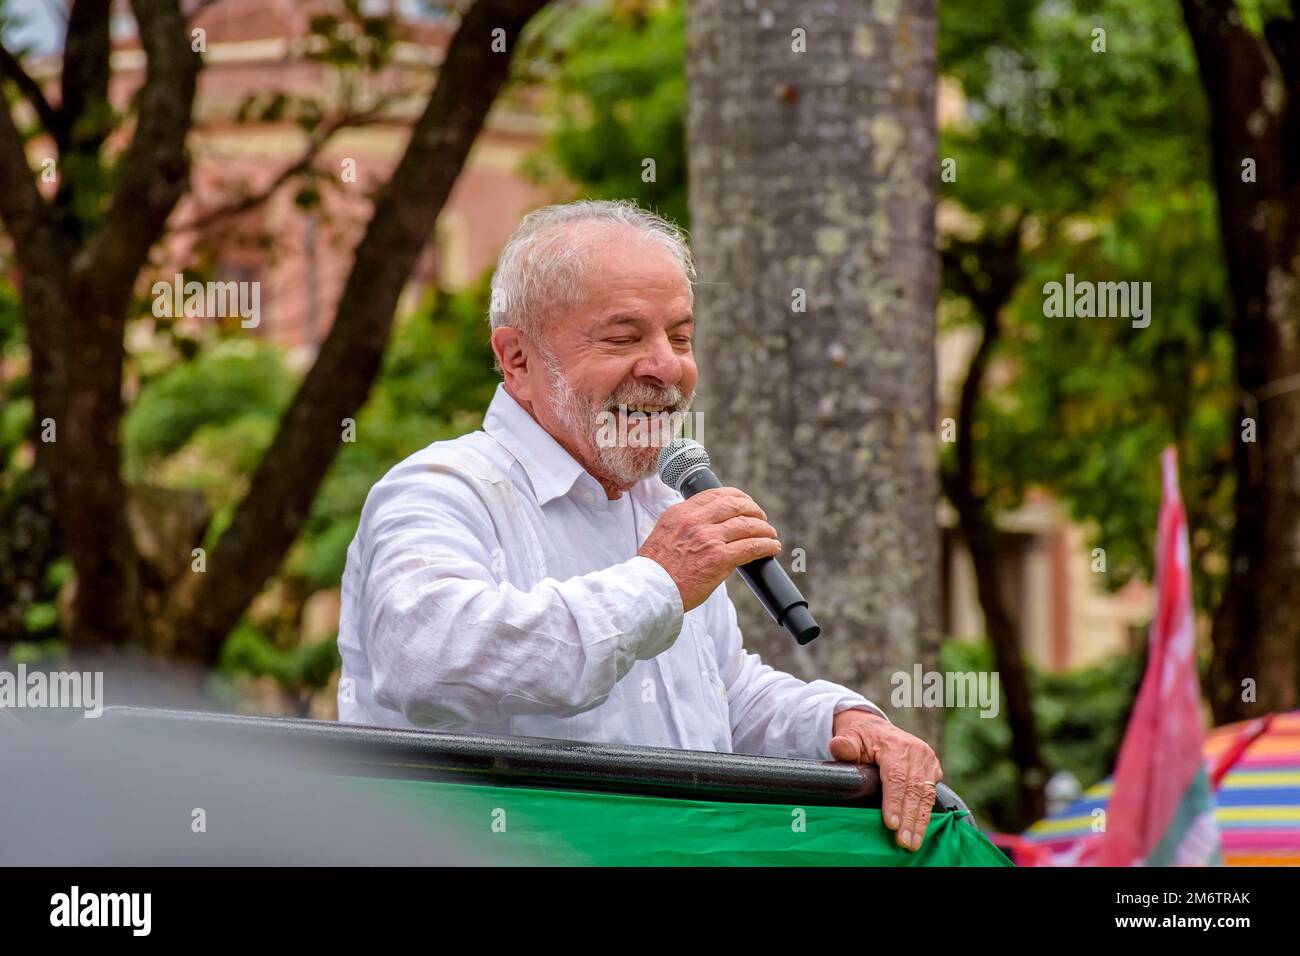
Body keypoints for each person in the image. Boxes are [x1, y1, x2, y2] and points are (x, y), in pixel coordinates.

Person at [338, 199, 943, 850]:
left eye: (680, 337)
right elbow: (430, 665)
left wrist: (837, 720)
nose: (666, 368)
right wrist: (658, 580)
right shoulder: (440, 491)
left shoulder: (658, 500)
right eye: (625, 338)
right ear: (517, 359)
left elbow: (720, 696)